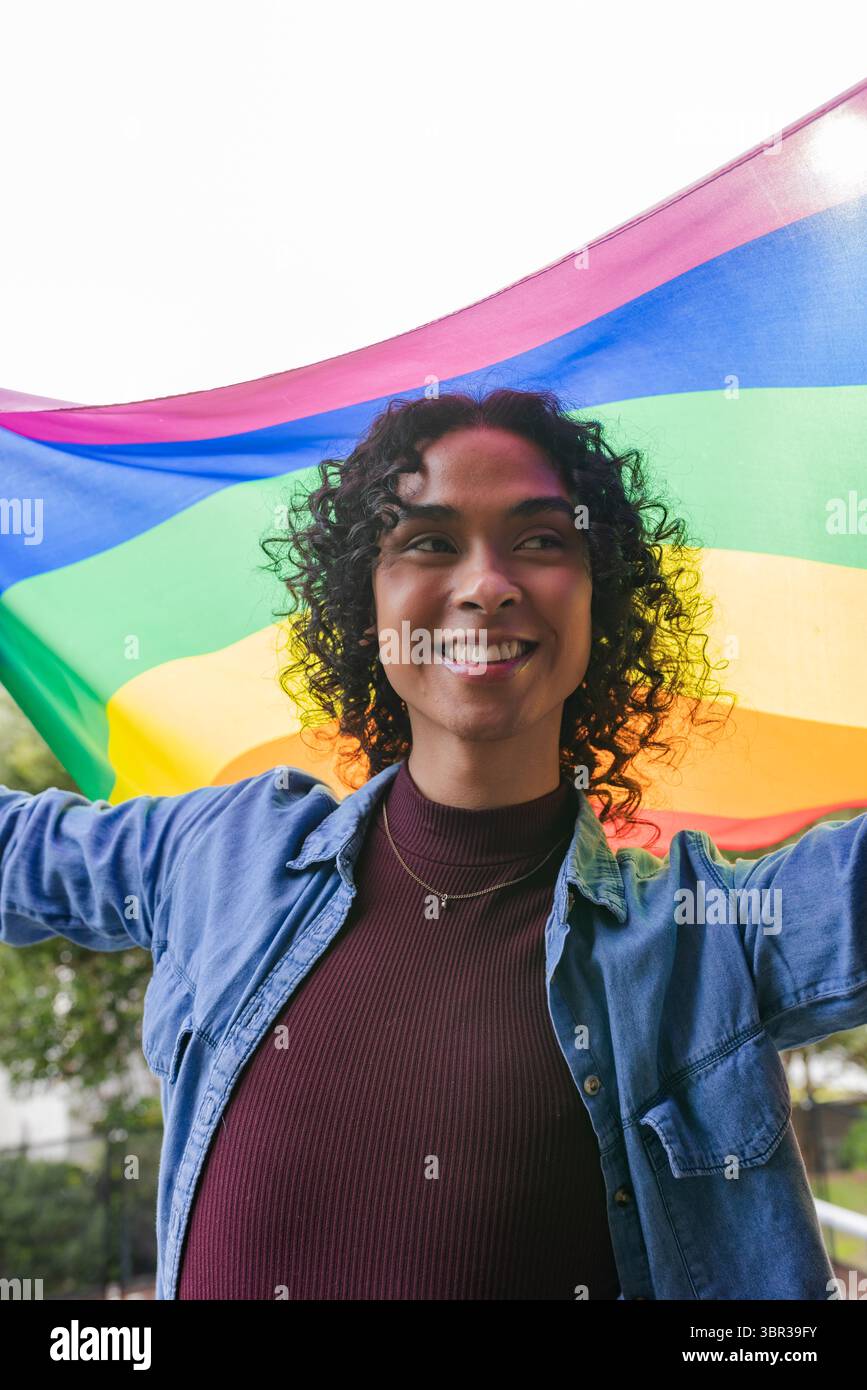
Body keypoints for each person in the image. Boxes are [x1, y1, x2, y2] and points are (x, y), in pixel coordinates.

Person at [1, 387, 864, 1300]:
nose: (485, 583)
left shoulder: (703, 938)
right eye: (428, 541)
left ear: (596, 601)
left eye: (538, 539)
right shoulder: (223, 855)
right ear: (365, 603)